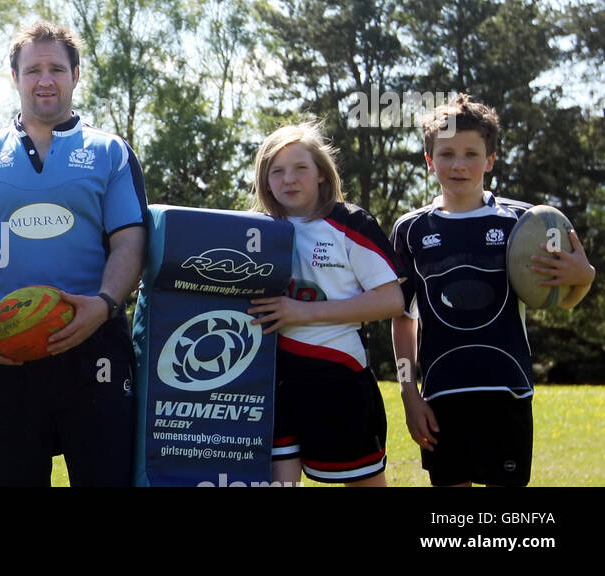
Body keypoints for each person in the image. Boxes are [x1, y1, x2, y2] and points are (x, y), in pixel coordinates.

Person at [0, 21, 147, 486]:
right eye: (33, 69)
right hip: (8, 344)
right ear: (15, 78)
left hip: (94, 340)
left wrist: (104, 305)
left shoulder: (109, 152)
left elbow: (130, 241)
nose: (45, 79)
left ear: (76, 75)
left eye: (57, 68)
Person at [391, 93, 595, 487]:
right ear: (429, 161)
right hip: (440, 396)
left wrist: (583, 276)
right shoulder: (411, 229)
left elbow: (564, 300)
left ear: (490, 160)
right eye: (447, 154)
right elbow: (402, 319)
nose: (459, 164)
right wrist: (408, 394)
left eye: (471, 153)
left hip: (508, 390)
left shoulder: (525, 222)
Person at [246, 123, 404, 486]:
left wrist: (304, 312)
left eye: (300, 168)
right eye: (277, 171)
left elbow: (392, 299)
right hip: (271, 379)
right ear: (265, 180)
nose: (289, 179)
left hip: (339, 376)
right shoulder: (255, 230)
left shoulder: (350, 223)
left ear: (320, 173)